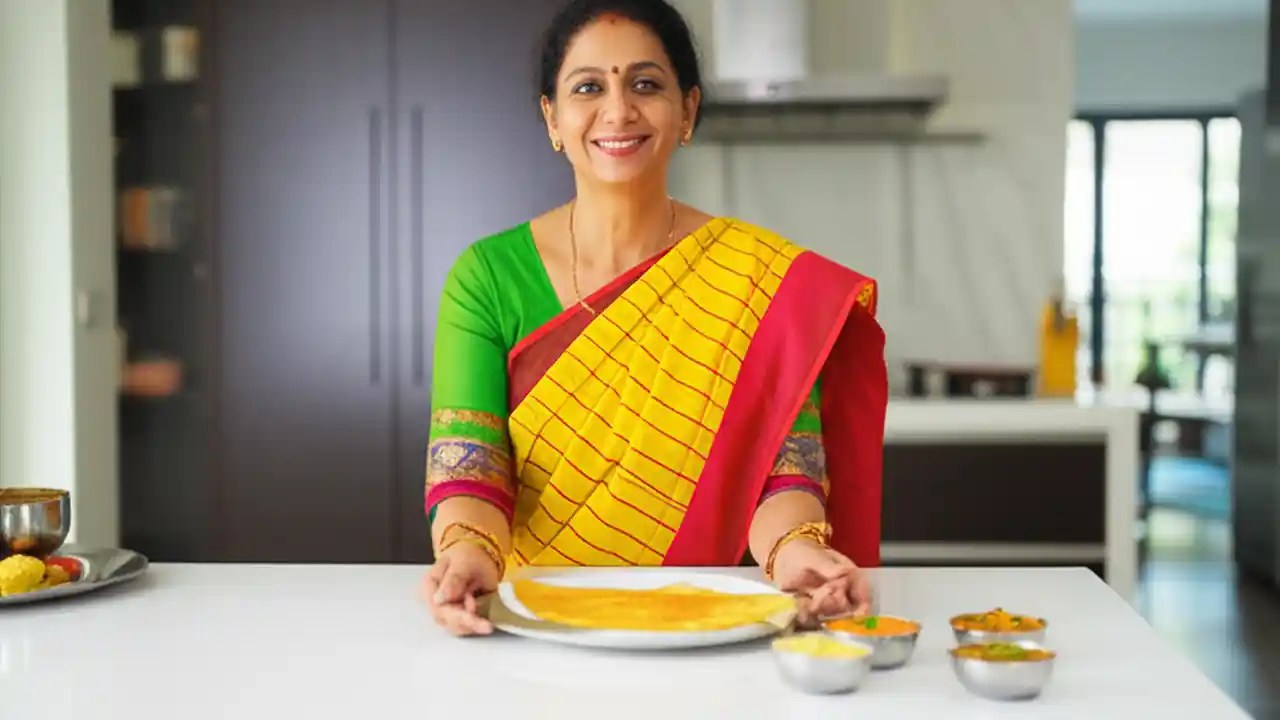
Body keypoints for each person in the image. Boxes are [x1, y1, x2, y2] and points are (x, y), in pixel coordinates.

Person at [422, 0, 887, 637]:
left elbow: (787, 471)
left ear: (688, 110)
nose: (618, 110)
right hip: (537, 625)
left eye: (645, 84)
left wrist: (798, 554)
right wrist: (467, 556)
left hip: (707, 625)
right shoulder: (487, 276)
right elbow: (470, 466)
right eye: (588, 87)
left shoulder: (758, 279)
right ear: (552, 118)